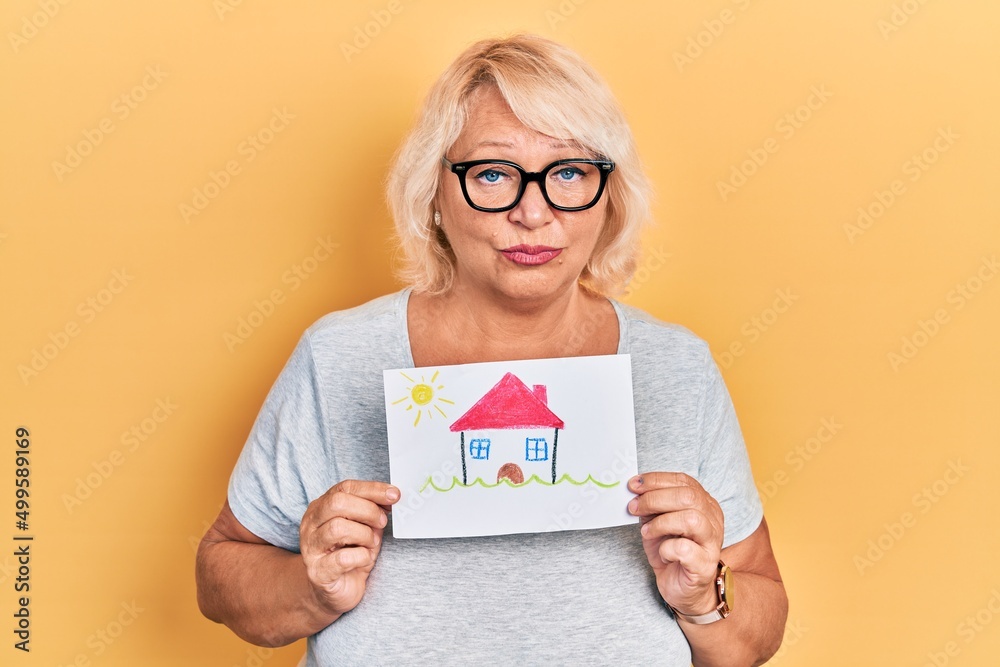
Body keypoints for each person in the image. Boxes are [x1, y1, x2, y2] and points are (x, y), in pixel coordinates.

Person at [196, 34, 788, 666]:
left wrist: (703, 597)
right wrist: (309, 587)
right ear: (434, 194)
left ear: (608, 196)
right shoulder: (340, 357)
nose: (533, 213)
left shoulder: (678, 368)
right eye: (493, 173)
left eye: (568, 172)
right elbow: (220, 575)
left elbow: (758, 626)